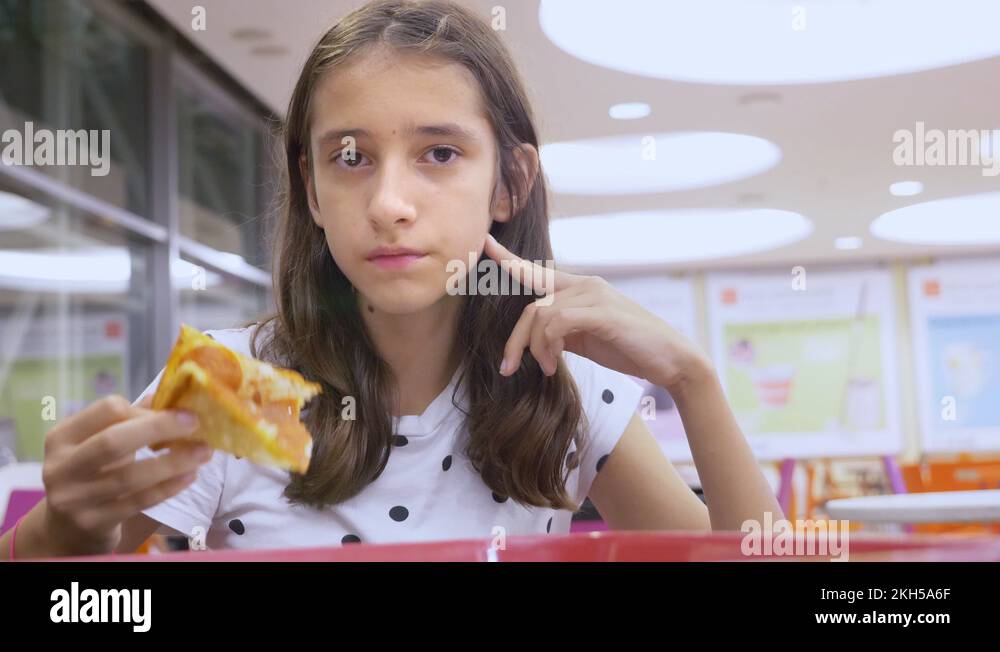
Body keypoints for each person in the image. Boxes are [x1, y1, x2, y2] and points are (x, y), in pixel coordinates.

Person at [2, 0, 781, 559]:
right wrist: (60, 533)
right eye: (351, 157)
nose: (389, 205)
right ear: (312, 189)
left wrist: (693, 376)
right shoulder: (230, 383)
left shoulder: (562, 389)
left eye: (439, 153)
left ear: (509, 183)